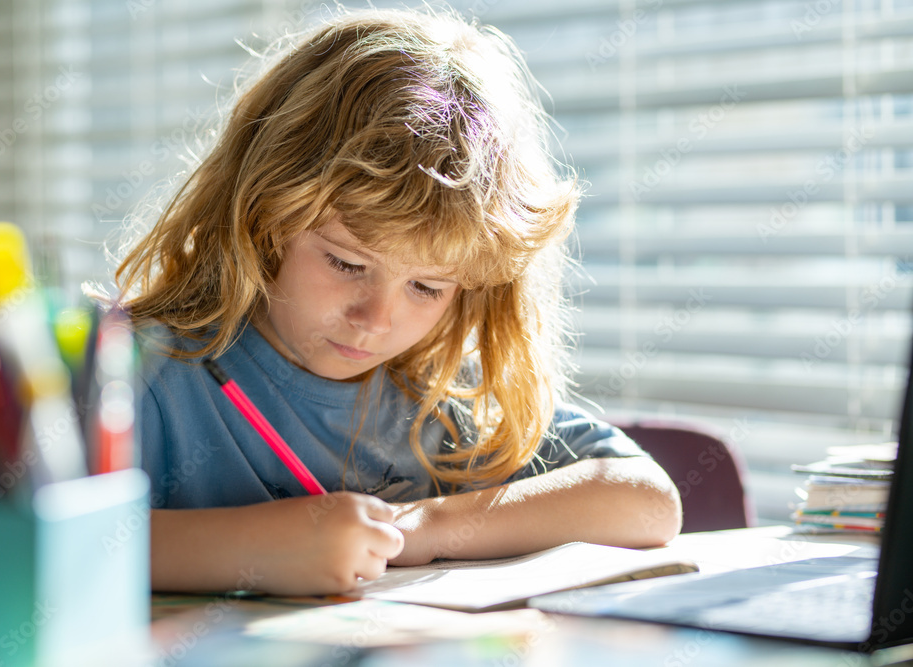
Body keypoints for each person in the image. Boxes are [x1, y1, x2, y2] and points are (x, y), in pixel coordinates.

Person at [113, 7, 682, 596]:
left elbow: (647, 500)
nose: (375, 320)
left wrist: (420, 527)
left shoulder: (441, 396)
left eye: (427, 288)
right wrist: (253, 548)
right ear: (263, 217)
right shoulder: (144, 376)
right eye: (346, 263)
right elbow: (26, 548)